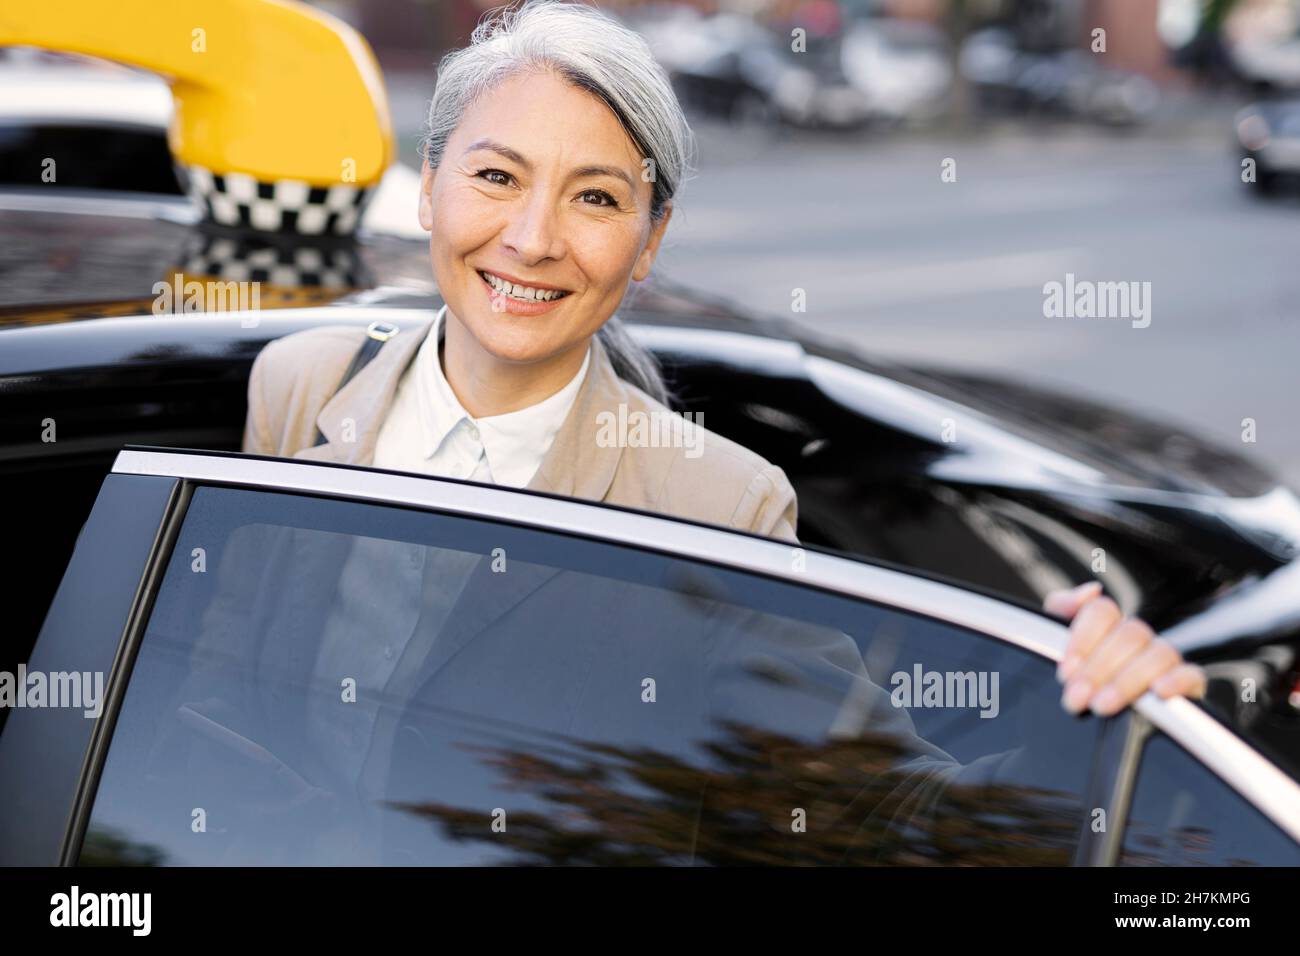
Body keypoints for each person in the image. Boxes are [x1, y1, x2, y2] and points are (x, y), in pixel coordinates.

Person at [240, 0, 1203, 747]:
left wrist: (1086, 702)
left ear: (650, 241)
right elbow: (213, 688)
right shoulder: (302, 386)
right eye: (496, 177)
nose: (531, 240)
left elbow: (876, 802)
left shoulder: (716, 505)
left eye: (596, 197)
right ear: (428, 187)